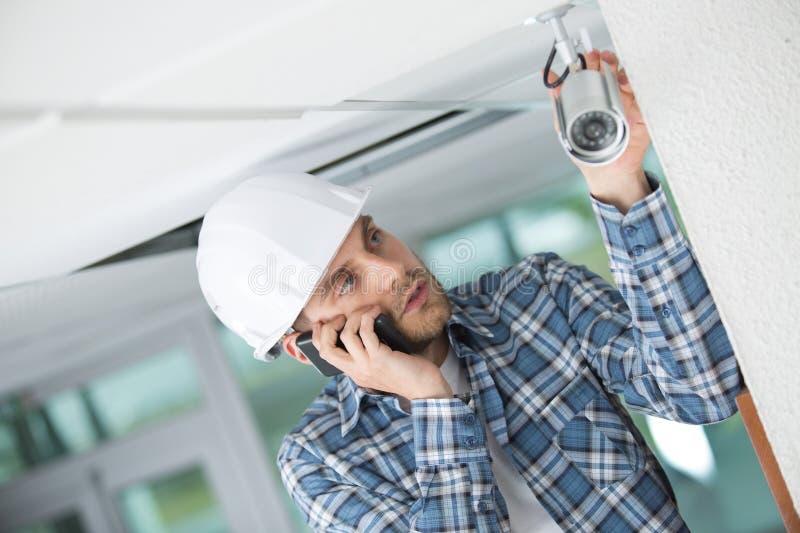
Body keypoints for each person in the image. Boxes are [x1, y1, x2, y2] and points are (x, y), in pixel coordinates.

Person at [196, 50, 741, 532]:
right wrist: (433, 403)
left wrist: (619, 182)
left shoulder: (536, 298)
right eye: (345, 280)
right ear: (307, 345)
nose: (390, 270)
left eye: (375, 238)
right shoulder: (323, 462)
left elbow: (703, 390)